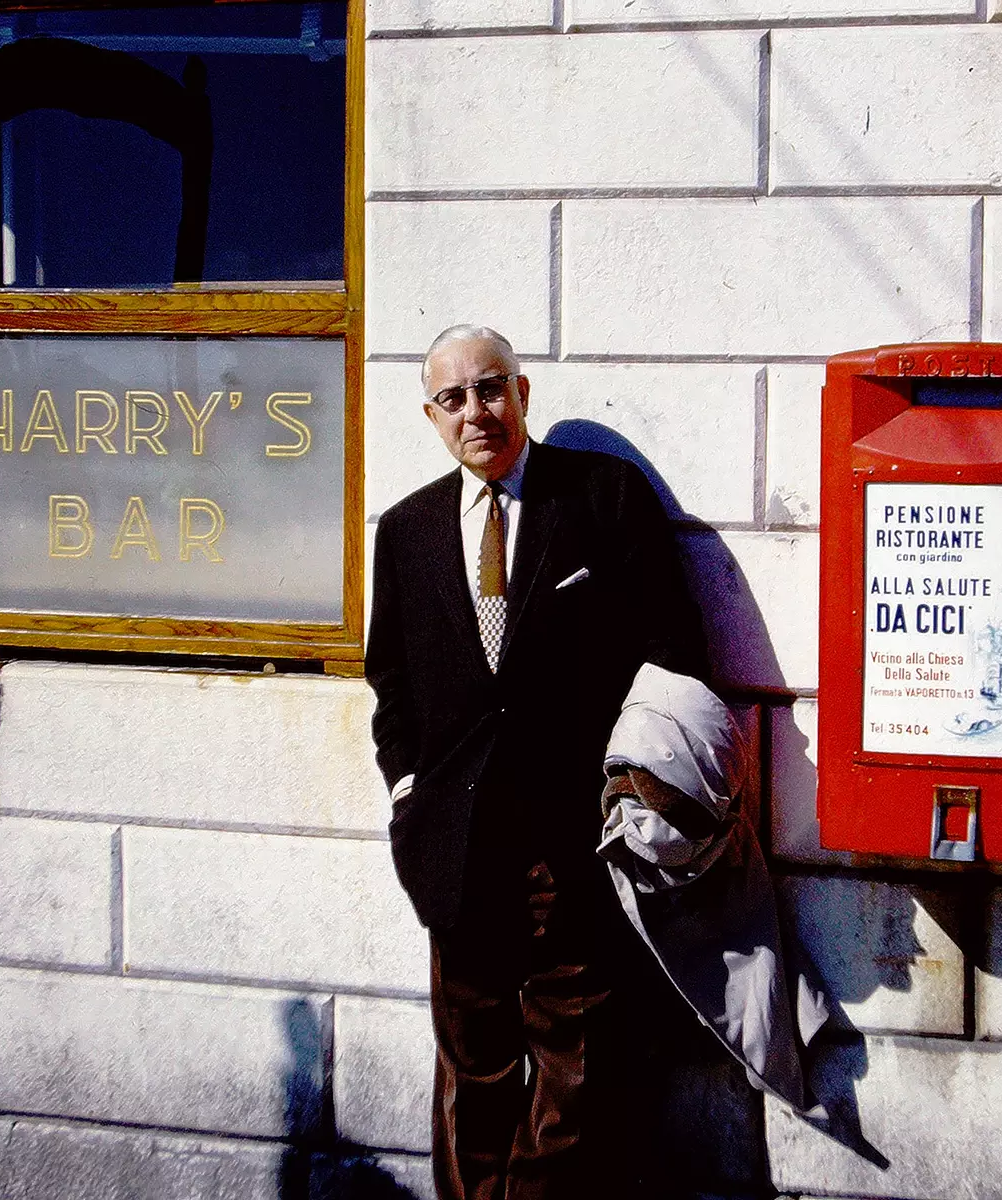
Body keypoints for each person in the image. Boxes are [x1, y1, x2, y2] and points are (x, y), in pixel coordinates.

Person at [365, 324, 707, 1200]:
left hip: (572, 849)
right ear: (432, 416)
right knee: (471, 1072)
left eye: (490, 389)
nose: (475, 412)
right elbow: (390, 679)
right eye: (453, 399)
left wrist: (625, 796)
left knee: (577, 1072)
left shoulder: (601, 498)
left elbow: (674, 651)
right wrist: (409, 787)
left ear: (523, 393)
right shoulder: (405, 531)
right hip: (457, 848)